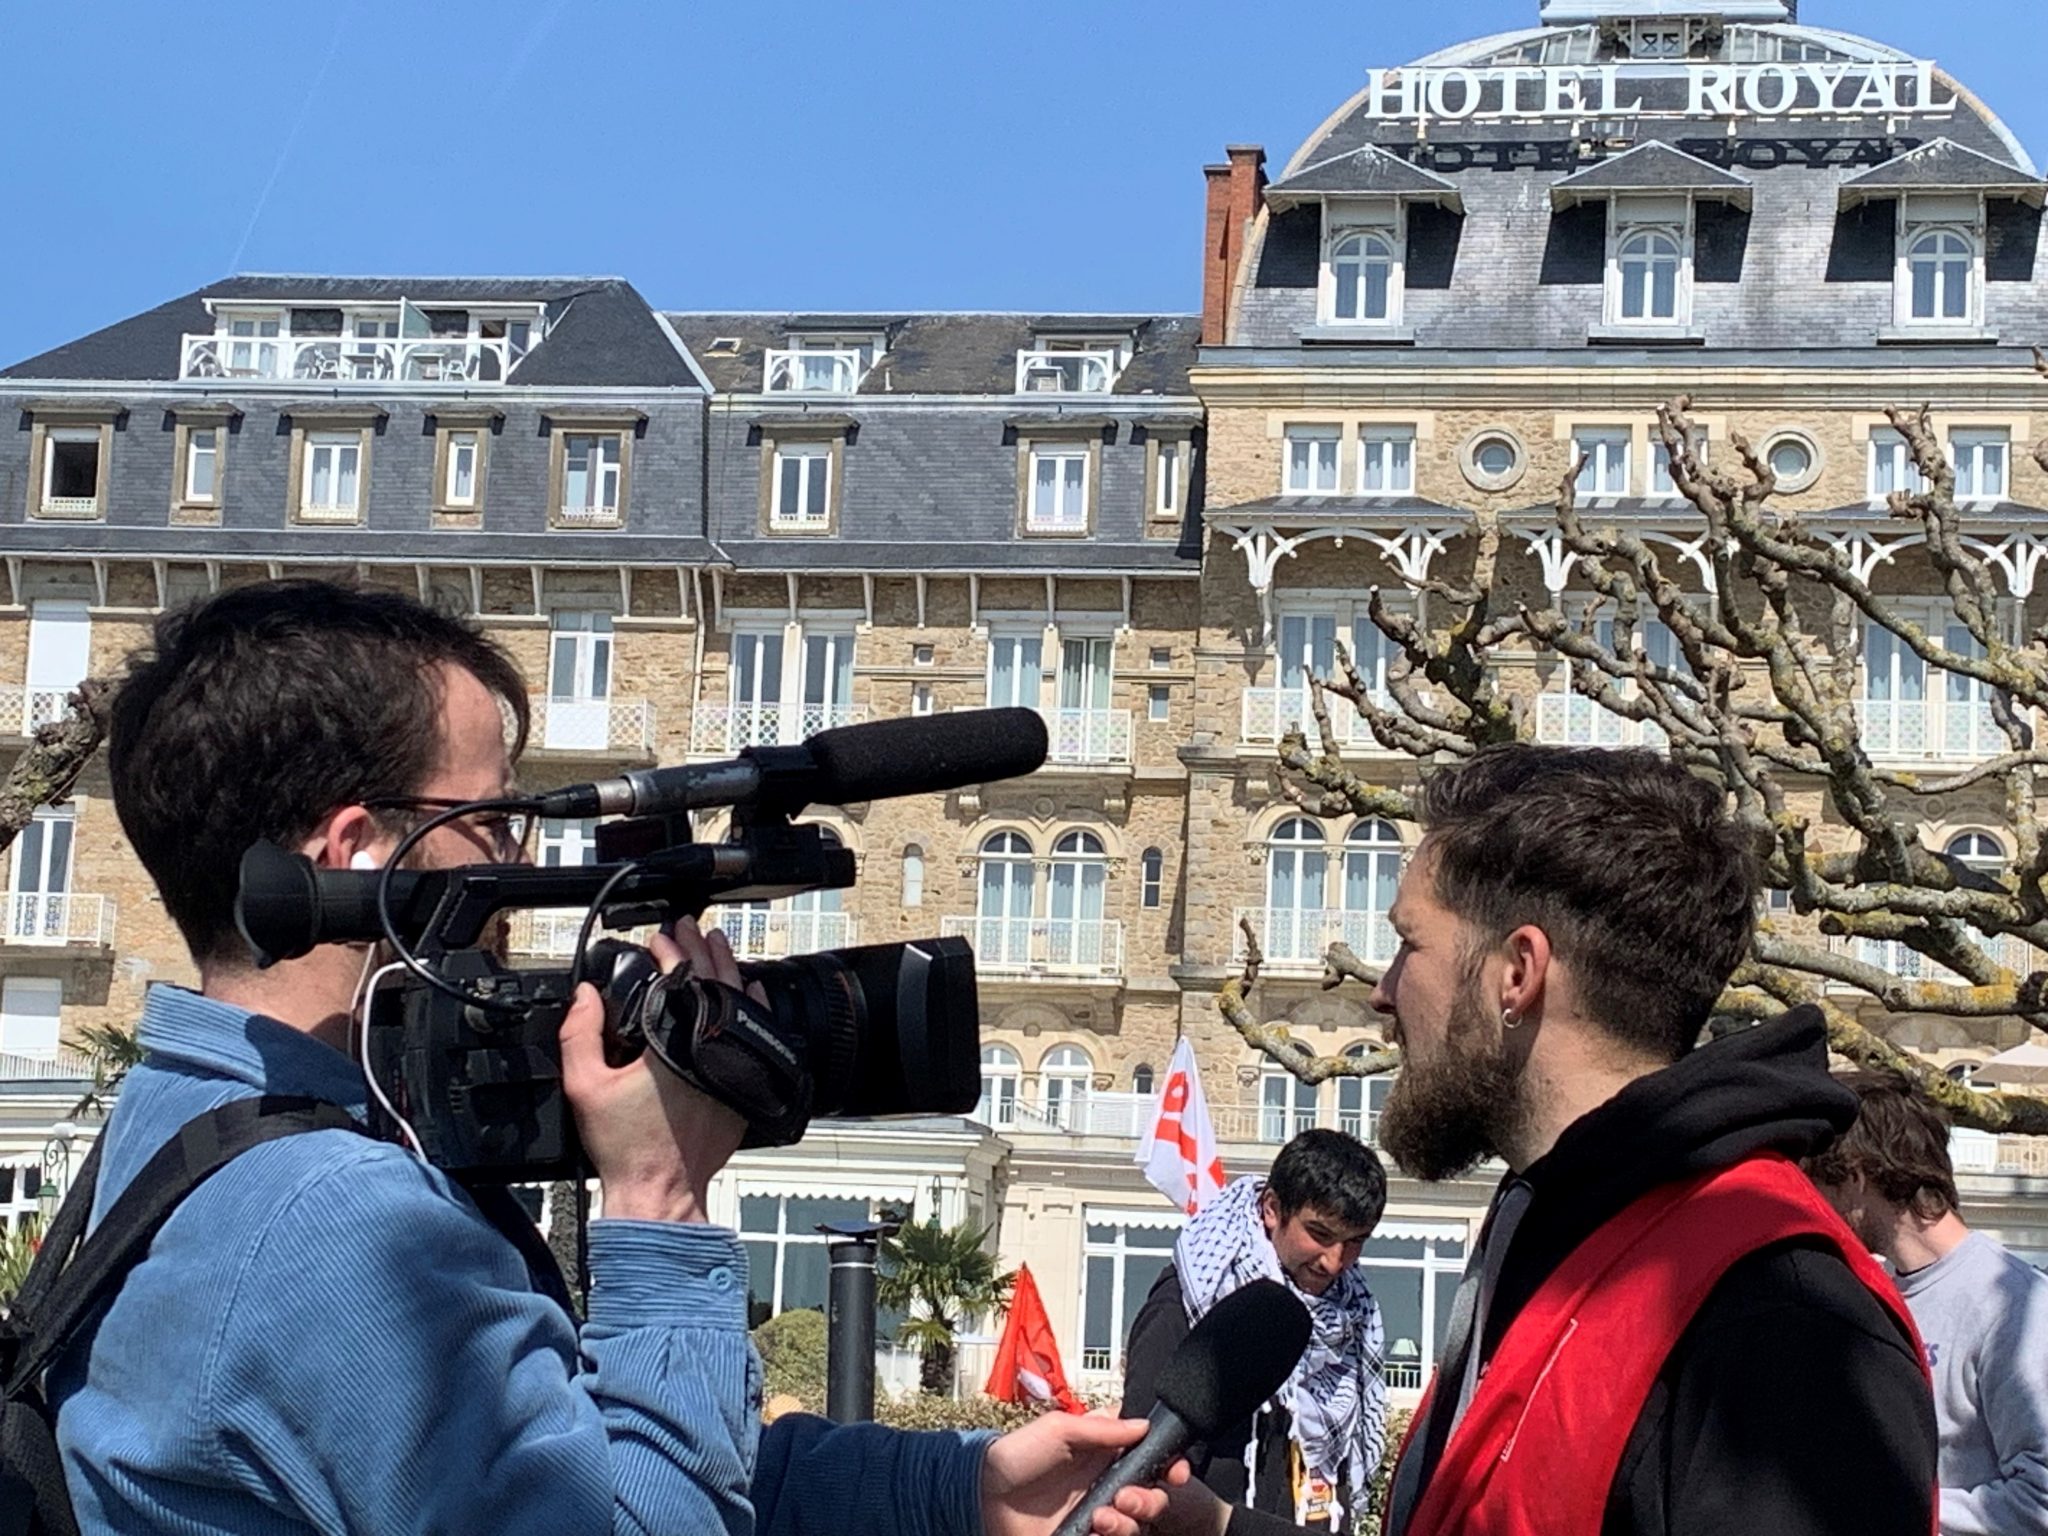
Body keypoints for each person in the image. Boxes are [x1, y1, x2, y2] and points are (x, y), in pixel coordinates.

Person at [50, 579, 1181, 1536]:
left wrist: (956, 1488)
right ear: (357, 854)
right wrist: (659, 1199)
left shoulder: (182, 1128)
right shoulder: (334, 1220)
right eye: (494, 823)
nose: (516, 866)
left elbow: (605, 1458)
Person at [1350, 745, 1931, 1536]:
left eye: (1409, 944)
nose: (1382, 993)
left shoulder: (1780, 1318)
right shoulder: (1553, 1226)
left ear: (1517, 972)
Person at [1806, 1071, 2048, 1534]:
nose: (1818, 1210)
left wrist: (1887, 1508)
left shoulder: (2016, 1305)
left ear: (1856, 1177)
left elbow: (2040, 1500)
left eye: (1822, 1190)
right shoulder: (1876, 1293)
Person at [1123, 1129, 1388, 1535]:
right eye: (1319, 1234)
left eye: (1354, 1243)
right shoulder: (1193, 1299)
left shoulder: (1356, 1315)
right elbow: (1144, 1475)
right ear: (1271, 1208)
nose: (1334, 1263)